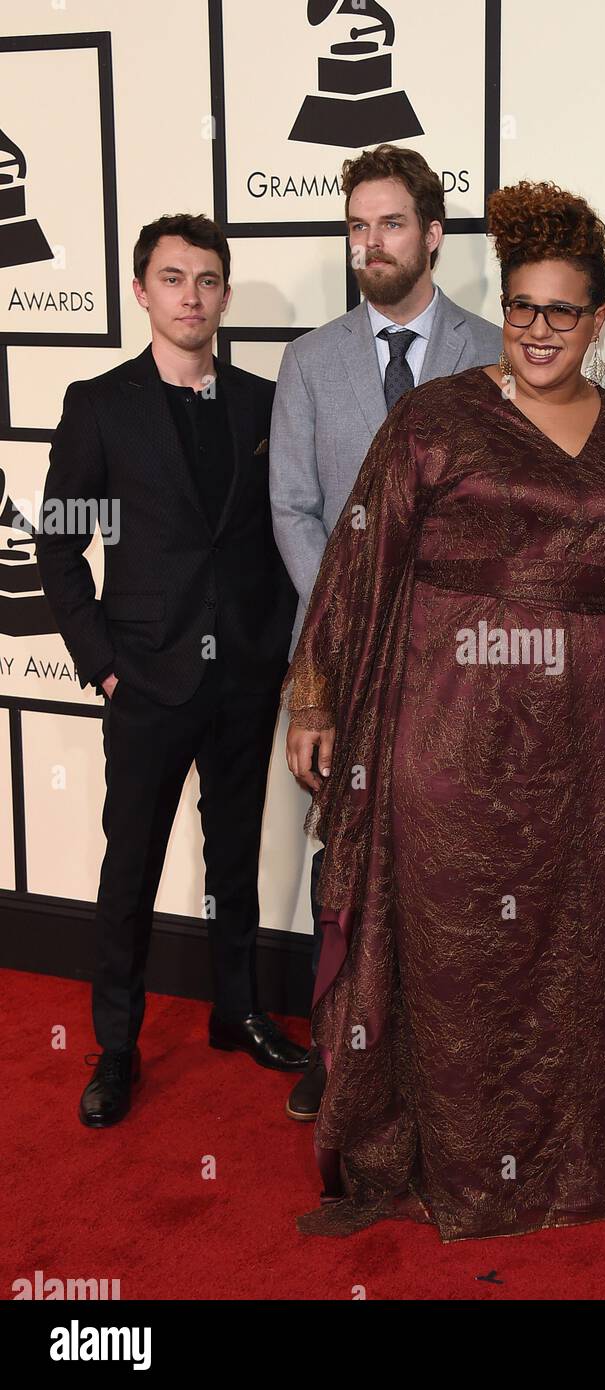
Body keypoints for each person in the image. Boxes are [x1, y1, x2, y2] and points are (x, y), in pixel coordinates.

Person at [282, 180, 605, 1241]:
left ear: (599, 318)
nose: (537, 330)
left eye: (562, 311)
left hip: (601, 736)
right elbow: (355, 564)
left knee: (585, 937)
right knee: (460, 940)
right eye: (521, 306)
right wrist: (317, 696)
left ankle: (577, 1158)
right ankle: (463, 1161)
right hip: (454, 726)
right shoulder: (436, 416)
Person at [37, 213, 306, 1129]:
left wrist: (274, 652)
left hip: (242, 677)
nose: (192, 295)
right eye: (173, 278)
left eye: (208, 279)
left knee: (236, 859)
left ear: (224, 293)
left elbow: (282, 534)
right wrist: (105, 665)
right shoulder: (99, 404)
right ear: (143, 290)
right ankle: (116, 1046)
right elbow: (61, 549)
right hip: (147, 680)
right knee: (130, 871)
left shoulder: (265, 403)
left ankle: (235, 1012)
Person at [269, 145, 502, 1123]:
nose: (371, 242)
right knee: (345, 863)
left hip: (462, 667)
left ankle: (444, 1049)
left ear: (433, 233)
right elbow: (292, 507)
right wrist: (357, 618)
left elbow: (502, 517)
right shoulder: (310, 359)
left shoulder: (496, 351)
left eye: (391, 223)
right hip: (346, 660)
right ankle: (337, 1043)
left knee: (455, 856)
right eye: (358, 225)